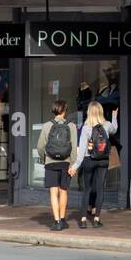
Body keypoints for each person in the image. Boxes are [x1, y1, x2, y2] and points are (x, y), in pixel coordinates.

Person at [69, 100, 117, 228]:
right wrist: (114, 117)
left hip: (89, 160)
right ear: (101, 112)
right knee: (100, 189)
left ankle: (83, 220)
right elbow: (115, 129)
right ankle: (96, 219)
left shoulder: (86, 128)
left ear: (89, 113)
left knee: (87, 189)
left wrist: (74, 167)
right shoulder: (106, 125)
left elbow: (82, 150)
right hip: (103, 160)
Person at [36, 99, 78, 230]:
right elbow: (73, 147)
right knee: (63, 191)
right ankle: (63, 219)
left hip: (51, 162)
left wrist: (44, 158)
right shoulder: (71, 126)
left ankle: (57, 221)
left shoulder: (47, 125)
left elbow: (40, 146)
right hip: (65, 162)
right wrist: (72, 164)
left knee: (53, 192)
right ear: (64, 110)